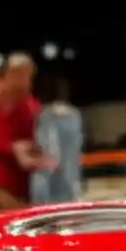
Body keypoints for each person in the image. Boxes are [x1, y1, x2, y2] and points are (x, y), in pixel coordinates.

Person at [0, 53, 54, 208]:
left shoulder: (31, 104)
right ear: (7, 76)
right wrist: (12, 148)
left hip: (32, 185)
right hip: (3, 187)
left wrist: (40, 149)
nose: (23, 82)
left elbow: (40, 134)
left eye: (27, 76)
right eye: (18, 76)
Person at [30, 76, 84, 204]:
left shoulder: (45, 115)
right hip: (72, 178)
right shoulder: (74, 115)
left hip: (50, 181)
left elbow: (48, 147)